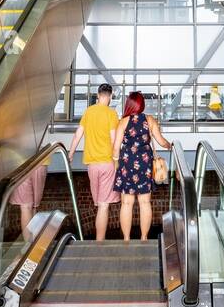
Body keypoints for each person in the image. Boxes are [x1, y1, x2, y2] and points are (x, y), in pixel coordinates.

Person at [112, 90, 171, 242]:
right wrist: (170, 146)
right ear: (142, 104)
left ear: (129, 105)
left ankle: (126, 239)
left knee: (126, 203)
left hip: (127, 164)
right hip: (145, 164)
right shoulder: (150, 120)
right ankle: (144, 238)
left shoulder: (123, 122)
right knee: (145, 203)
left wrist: (116, 164)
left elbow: (115, 147)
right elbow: (161, 141)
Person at [67, 82, 120, 241]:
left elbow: (78, 134)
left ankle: (98, 240)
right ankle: (99, 242)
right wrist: (117, 162)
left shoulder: (88, 112)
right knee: (104, 206)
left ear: (97, 95)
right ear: (110, 97)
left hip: (91, 165)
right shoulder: (111, 114)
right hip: (107, 163)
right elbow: (113, 140)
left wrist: (70, 153)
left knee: (98, 204)